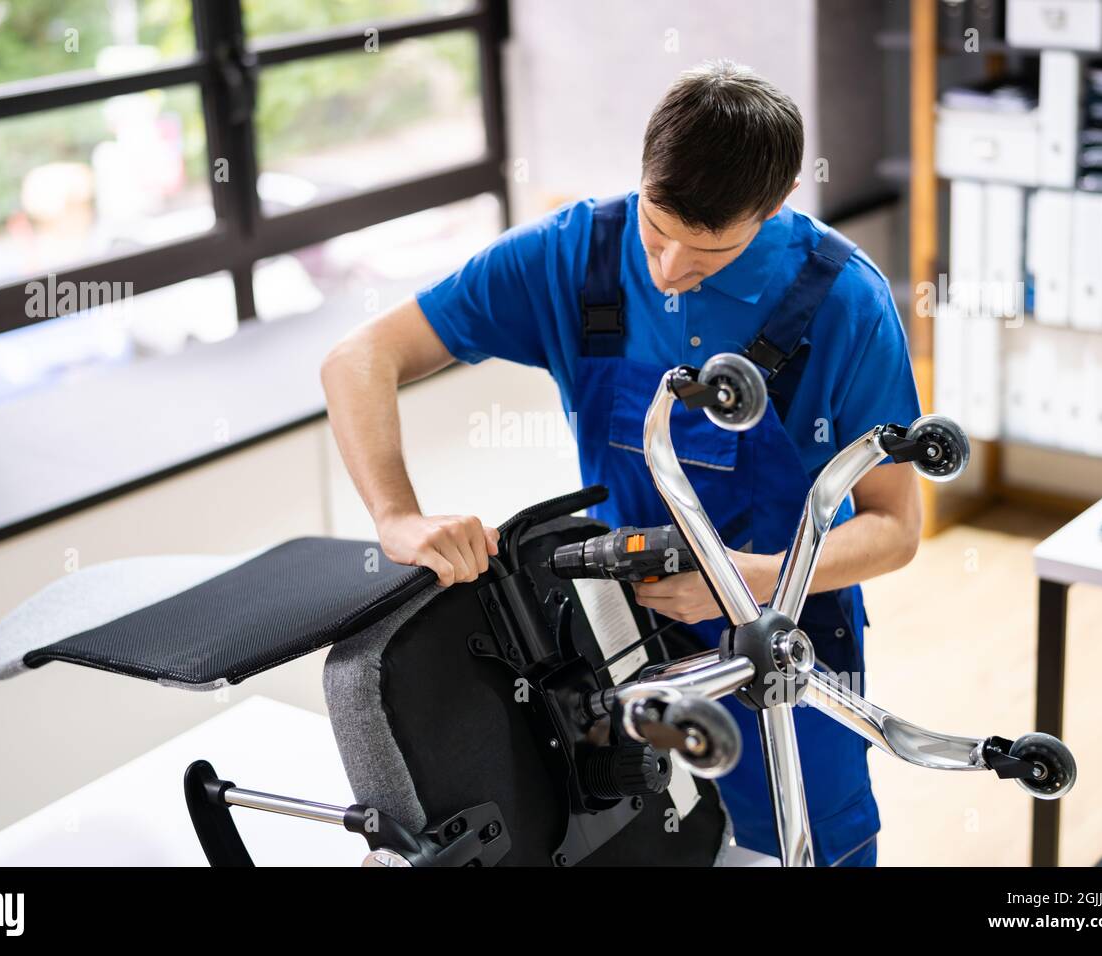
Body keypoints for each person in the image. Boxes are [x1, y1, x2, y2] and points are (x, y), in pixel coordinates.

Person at [321, 59, 923, 867]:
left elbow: (896, 527)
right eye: (657, 227)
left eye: (706, 253)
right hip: (619, 649)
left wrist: (750, 576)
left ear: (773, 210)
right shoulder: (578, 257)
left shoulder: (843, 300)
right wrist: (396, 514)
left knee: (805, 849)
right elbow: (359, 358)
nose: (669, 269)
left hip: (785, 650)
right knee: (639, 847)